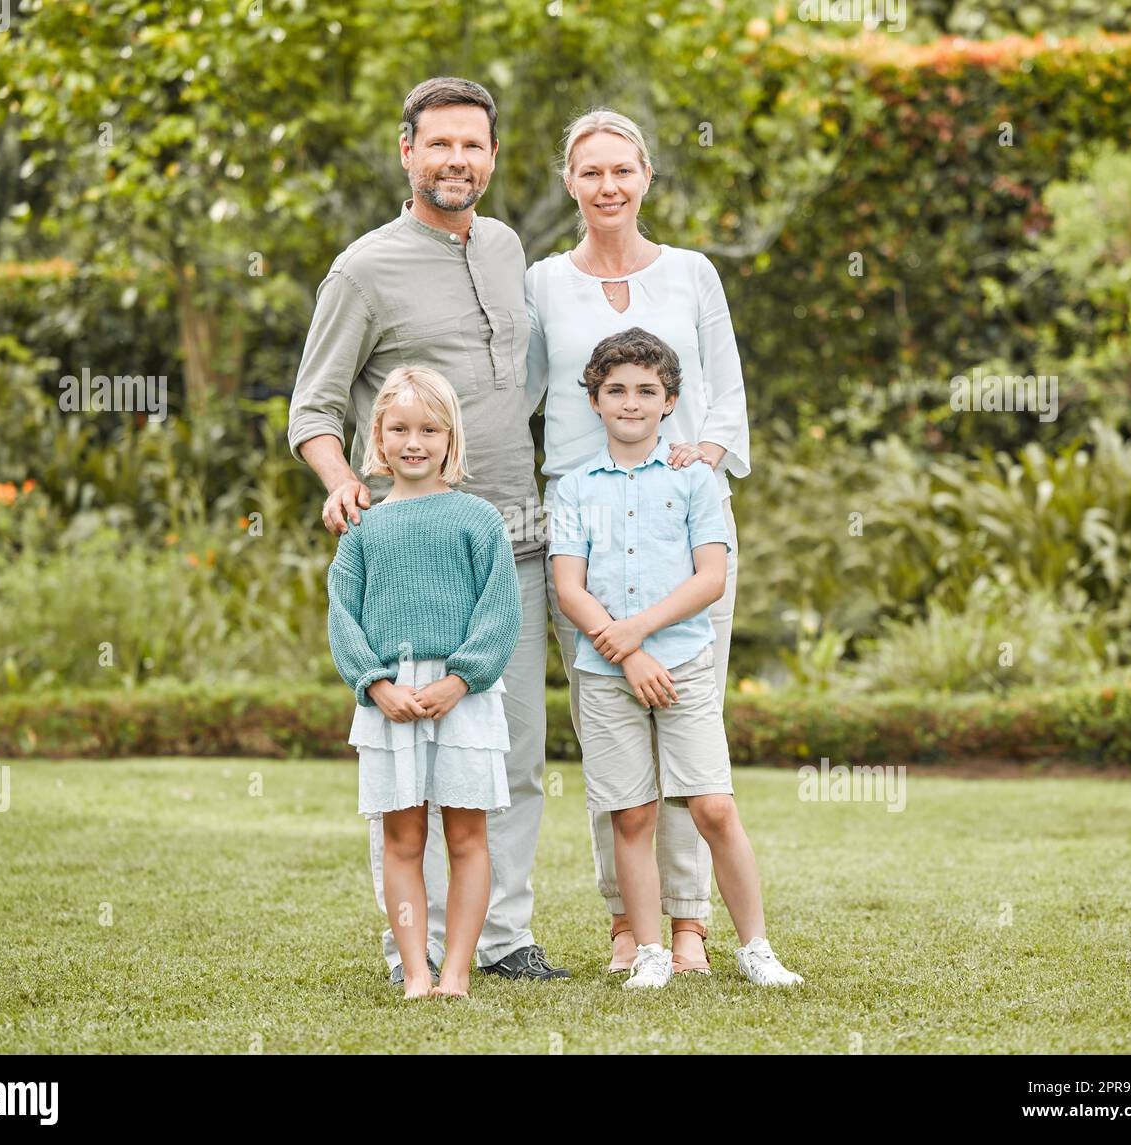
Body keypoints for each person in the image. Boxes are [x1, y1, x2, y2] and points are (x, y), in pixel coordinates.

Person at [289, 77, 569, 984]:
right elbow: (313, 408)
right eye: (439, 144)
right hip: (411, 559)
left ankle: (502, 939)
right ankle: (408, 943)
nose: (457, 160)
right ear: (406, 151)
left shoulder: (507, 247)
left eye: (473, 145)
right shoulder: (363, 269)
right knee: (408, 769)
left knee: (510, 752)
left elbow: (518, 381)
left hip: (513, 543)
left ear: (493, 156)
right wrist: (340, 482)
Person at [526, 108, 751, 975]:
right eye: (592, 172)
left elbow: (726, 390)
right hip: (584, 538)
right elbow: (523, 392)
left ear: (647, 176)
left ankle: (690, 921)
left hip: (681, 534)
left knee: (690, 726)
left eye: (624, 170)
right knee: (609, 726)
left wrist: (711, 451)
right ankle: (629, 922)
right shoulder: (545, 282)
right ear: (570, 182)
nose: (608, 186)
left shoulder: (692, 273)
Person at [548, 327, 803, 989]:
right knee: (631, 812)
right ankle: (650, 950)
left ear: (669, 401)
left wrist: (638, 632)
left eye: (646, 391)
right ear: (595, 400)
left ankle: (756, 948)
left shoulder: (695, 481)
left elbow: (709, 577)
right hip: (608, 675)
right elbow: (569, 588)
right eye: (616, 390)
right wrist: (625, 653)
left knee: (713, 806)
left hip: (684, 664)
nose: (631, 403)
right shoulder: (574, 489)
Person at [328, 366, 521, 998]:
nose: (415, 442)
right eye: (399, 428)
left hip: (462, 696)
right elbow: (343, 615)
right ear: (377, 439)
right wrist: (374, 684)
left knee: (467, 836)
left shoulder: (478, 519)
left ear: (450, 438)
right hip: (389, 698)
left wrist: (462, 679)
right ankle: (416, 970)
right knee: (402, 839)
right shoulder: (362, 528)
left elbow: (500, 610)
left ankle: (458, 972)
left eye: (429, 429)